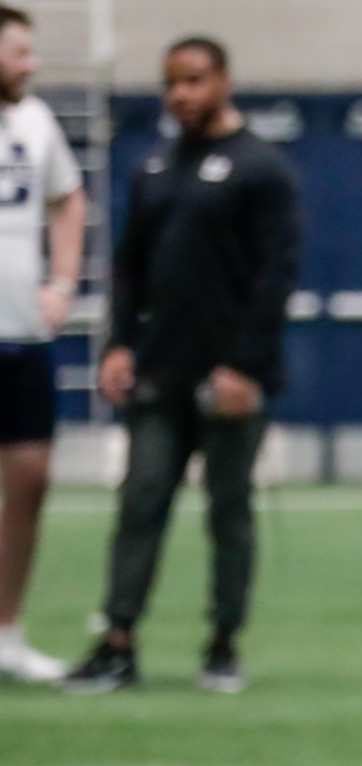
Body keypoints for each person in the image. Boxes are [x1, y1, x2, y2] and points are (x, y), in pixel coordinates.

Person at [64, 37, 301, 695]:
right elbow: (127, 269)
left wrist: (244, 368)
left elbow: (277, 276)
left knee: (228, 512)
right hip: (160, 375)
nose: (181, 94)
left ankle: (223, 644)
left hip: (230, 381)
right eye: (172, 82)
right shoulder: (153, 168)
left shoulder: (262, 169)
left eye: (194, 80)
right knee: (139, 502)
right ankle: (118, 642)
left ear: (223, 80)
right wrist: (118, 345)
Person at [0, 6, 84, 683]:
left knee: (30, 480)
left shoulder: (34, 120)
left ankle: (7, 631)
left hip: (21, 336)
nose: (31, 65)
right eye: (19, 52)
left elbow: (68, 198)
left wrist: (62, 279)